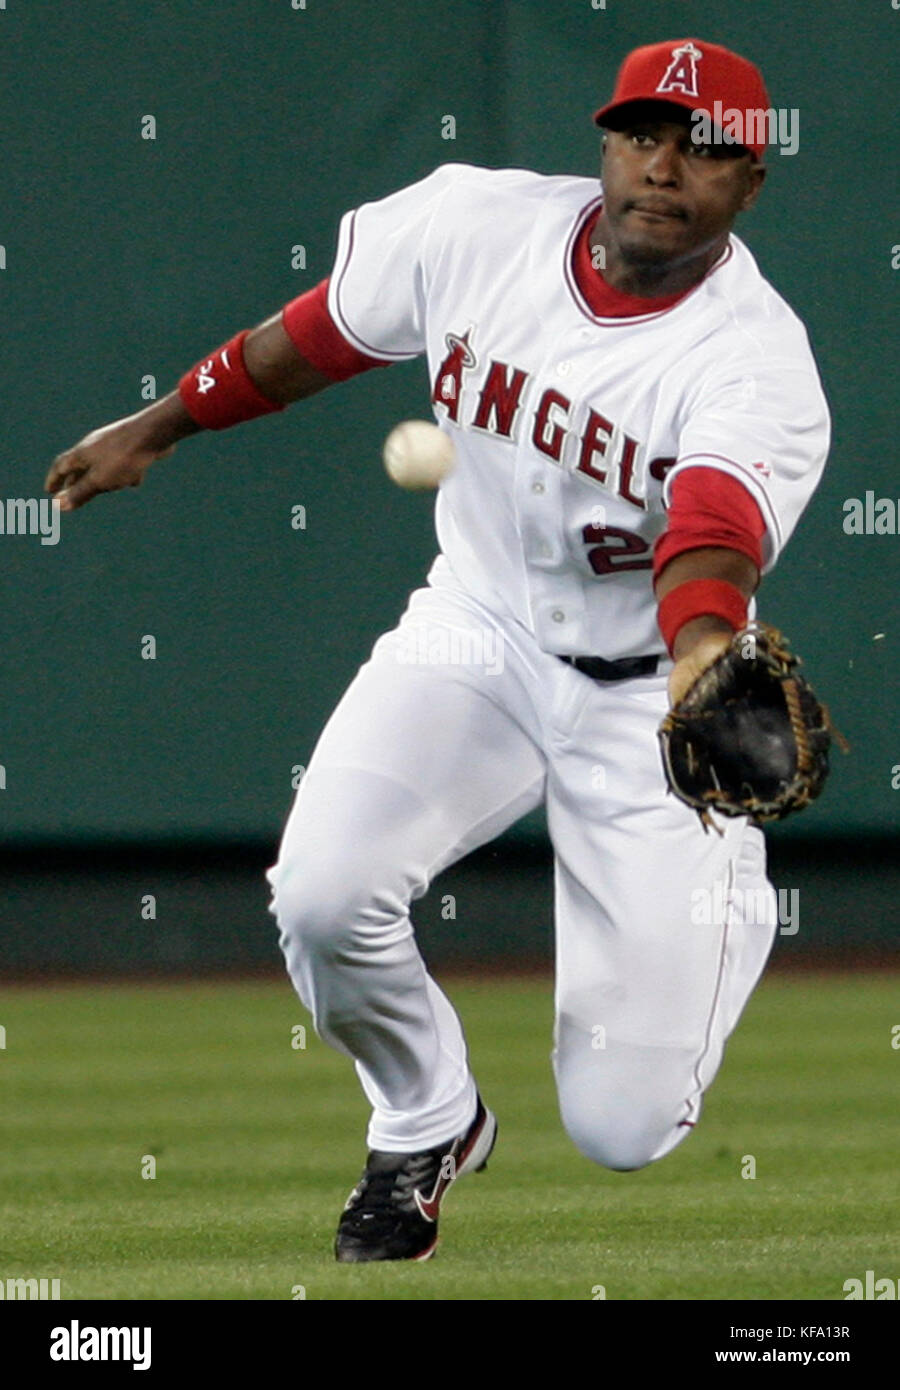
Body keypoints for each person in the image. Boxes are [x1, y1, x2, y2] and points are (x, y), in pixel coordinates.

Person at [45, 38, 830, 1264]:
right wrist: (160, 425)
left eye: (706, 147)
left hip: (651, 703)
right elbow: (311, 339)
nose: (664, 166)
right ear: (606, 142)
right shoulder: (474, 226)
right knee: (318, 891)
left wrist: (701, 662)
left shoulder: (754, 359)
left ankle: (719, 883)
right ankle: (428, 1117)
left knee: (623, 1127)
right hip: (483, 629)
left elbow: (710, 534)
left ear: (751, 181)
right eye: (642, 134)